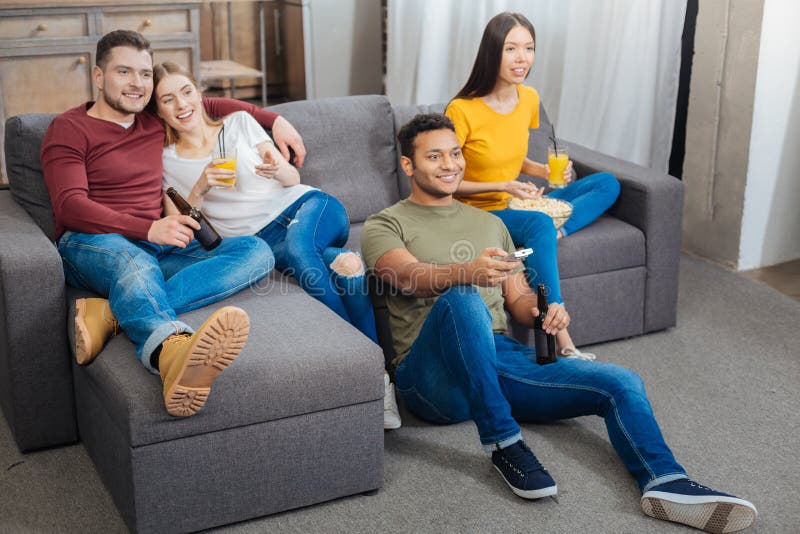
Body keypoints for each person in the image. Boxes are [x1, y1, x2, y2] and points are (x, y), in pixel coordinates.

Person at [360, 113, 757, 533]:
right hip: (431, 377)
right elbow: (405, 276)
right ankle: (504, 442)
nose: (450, 164)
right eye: (434, 156)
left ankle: (665, 481)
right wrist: (465, 273)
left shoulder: (490, 223)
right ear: (409, 166)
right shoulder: (385, 223)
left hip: (499, 357)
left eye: (455, 153)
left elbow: (516, 300)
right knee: (461, 297)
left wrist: (541, 311)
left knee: (621, 382)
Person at [41, 30, 303, 418]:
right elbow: (70, 207)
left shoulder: (150, 120)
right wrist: (146, 228)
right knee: (133, 262)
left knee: (255, 251)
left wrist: (274, 118)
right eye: (124, 72)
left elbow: (207, 102)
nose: (137, 84)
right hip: (93, 243)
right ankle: (171, 351)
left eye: (145, 75)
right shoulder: (69, 128)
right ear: (98, 77)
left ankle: (114, 313)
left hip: (158, 244)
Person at [150, 61, 401, 429]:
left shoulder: (237, 123)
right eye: (167, 99)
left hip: (309, 207)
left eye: (186, 91)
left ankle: (362, 370)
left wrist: (275, 167)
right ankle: (382, 383)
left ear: (199, 93)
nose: (181, 104)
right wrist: (200, 187)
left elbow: (292, 177)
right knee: (347, 268)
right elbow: (183, 227)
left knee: (302, 251)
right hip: (263, 240)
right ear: (158, 110)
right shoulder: (164, 160)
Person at [445, 12, 622, 360]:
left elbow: (512, 156)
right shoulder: (461, 110)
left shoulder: (528, 99)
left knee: (607, 183)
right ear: (492, 52)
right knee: (539, 222)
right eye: (511, 48)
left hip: (518, 201)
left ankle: (557, 231)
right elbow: (448, 184)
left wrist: (542, 170)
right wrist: (506, 185)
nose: (522, 58)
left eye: (529, 48)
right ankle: (564, 340)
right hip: (479, 211)